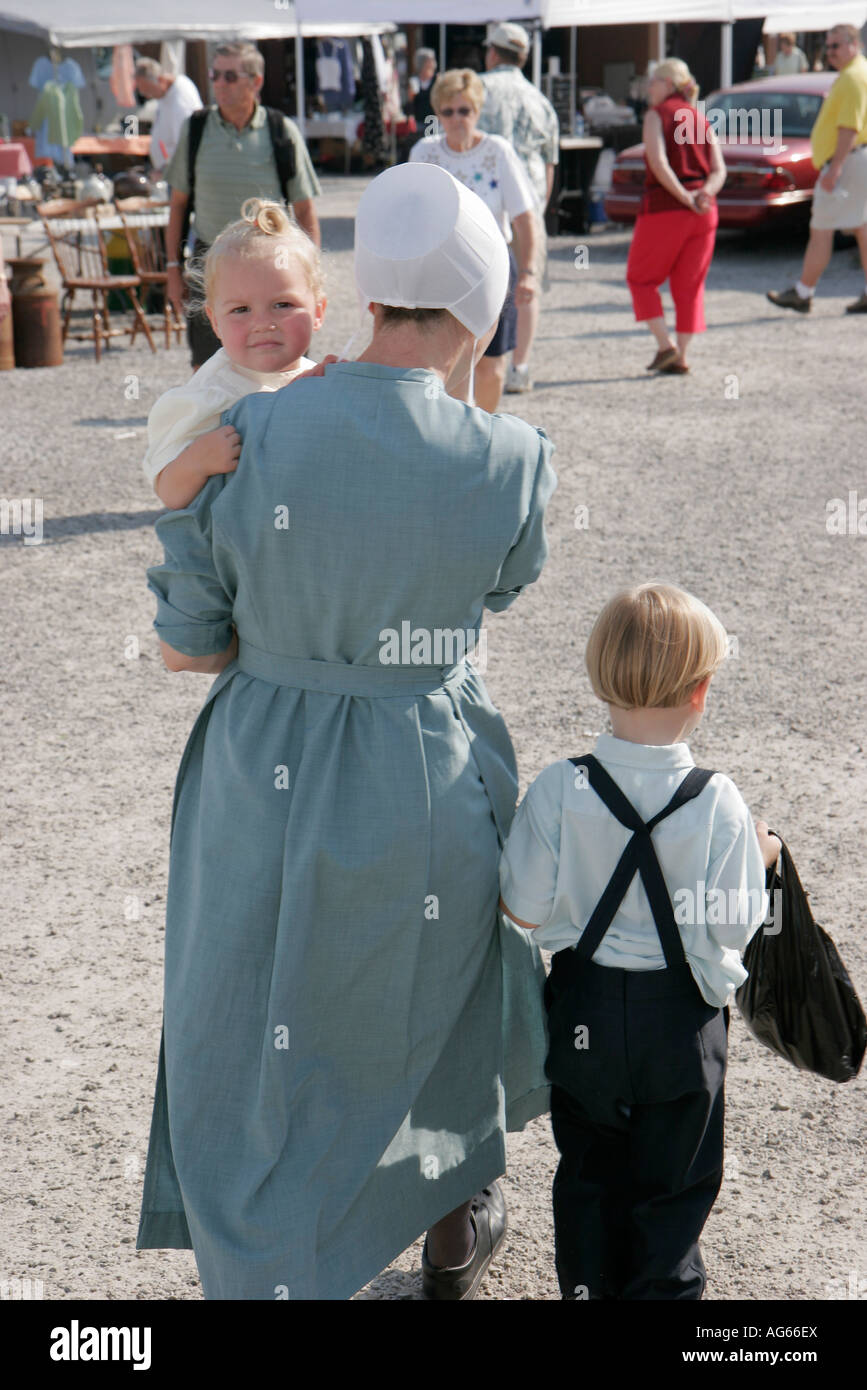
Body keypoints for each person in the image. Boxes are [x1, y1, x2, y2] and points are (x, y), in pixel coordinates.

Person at [136, 160, 557, 1302]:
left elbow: (187, 642)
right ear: (480, 306)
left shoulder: (248, 429)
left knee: (253, 1003)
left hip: (261, 758)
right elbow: (503, 587)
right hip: (426, 757)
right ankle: (451, 1204)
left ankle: (261, 1250)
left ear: (361, 295)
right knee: (434, 991)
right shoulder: (512, 459)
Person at [499, 583, 781, 1300]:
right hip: (678, 1027)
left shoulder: (561, 787)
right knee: (673, 1191)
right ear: (701, 691)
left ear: (599, 676)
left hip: (584, 1010)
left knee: (589, 1178)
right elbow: (733, 927)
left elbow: (522, 910)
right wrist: (764, 859)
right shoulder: (717, 801)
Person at [142, 199, 324, 509]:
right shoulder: (212, 394)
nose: (263, 324)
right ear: (215, 322)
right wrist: (196, 462)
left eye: (283, 305)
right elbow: (168, 492)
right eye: (241, 310)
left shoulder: (319, 376)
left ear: (318, 311)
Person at [163, 42, 322, 369]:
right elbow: (177, 206)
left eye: (230, 76)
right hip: (210, 262)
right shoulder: (195, 130)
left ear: (256, 82)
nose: (219, 83)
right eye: (215, 75)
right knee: (208, 365)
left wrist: (310, 273)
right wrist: (172, 269)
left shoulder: (281, 131)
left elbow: (305, 210)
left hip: (272, 261)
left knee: (281, 360)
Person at [409, 68, 537, 413]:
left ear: (478, 111)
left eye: (464, 110)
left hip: (492, 267)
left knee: (490, 365)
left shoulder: (498, 151)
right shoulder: (424, 153)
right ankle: (454, 438)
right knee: (445, 363)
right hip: (441, 270)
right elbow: (410, 217)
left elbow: (525, 218)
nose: (456, 119)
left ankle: (483, 435)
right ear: (437, 114)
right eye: (448, 112)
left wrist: (529, 271)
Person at [625, 59, 726, 375]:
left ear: (668, 84)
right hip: (704, 210)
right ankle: (681, 355)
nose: (648, 86)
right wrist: (704, 194)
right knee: (690, 287)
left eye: (653, 80)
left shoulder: (656, 115)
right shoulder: (700, 118)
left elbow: (657, 162)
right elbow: (719, 169)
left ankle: (665, 345)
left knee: (640, 279)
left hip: (666, 209)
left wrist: (684, 198)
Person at [477, 22, 559, 394]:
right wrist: (537, 212)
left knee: (478, 284)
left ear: (492, 52)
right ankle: (519, 368)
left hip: (485, 204)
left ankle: (479, 361)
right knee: (527, 286)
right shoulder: (541, 101)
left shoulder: (476, 89)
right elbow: (549, 164)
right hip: (529, 203)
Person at [767, 24, 867, 315]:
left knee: (821, 228)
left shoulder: (852, 78)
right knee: (861, 228)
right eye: (828, 46)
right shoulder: (856, 73)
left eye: (836, 46)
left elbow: (849, 127)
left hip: (847, 161)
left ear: (854, 44)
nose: (830, 52)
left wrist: (834, 169)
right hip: (854, 159)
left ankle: (802, 292)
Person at [133, 58, 202, 172]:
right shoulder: (166, 93)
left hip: (178, 172)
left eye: (148, 90)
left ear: (160, 80)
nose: (148, 96)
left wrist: (167, 169)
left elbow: (186, 144)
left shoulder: (182, 102)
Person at [407, 46, 437, 133]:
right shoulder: (414, 80)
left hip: (433, 119)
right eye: (428, 60)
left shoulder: (437, 79)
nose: (431, 62)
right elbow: (411, 101)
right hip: (419, 120)